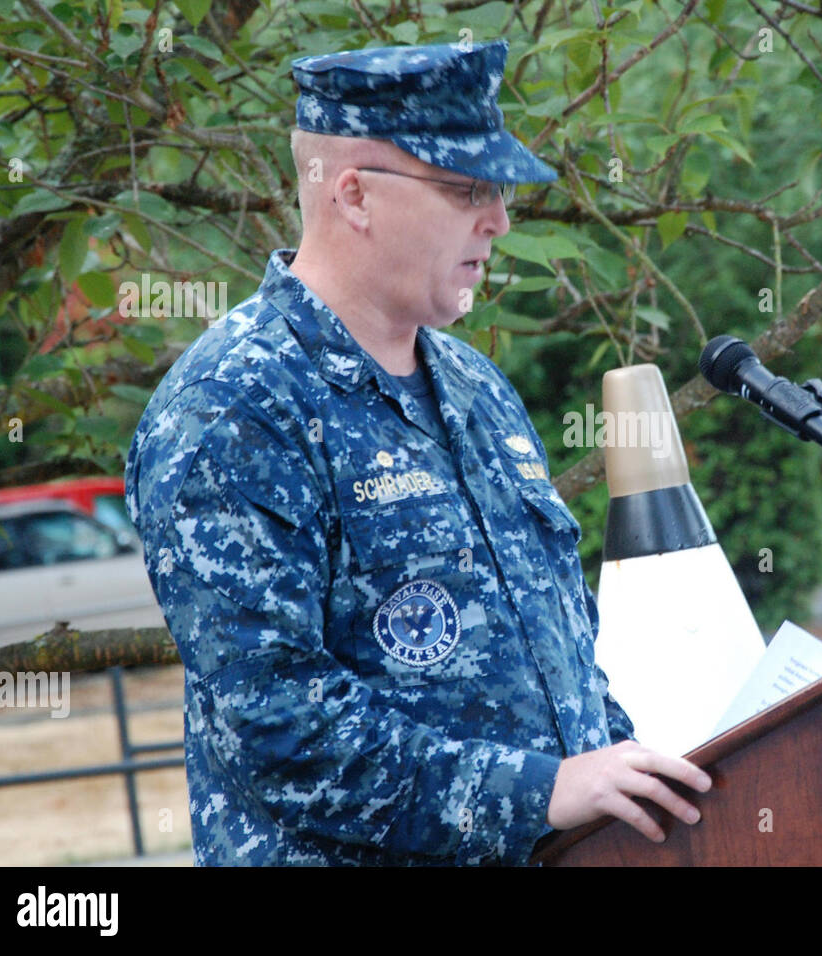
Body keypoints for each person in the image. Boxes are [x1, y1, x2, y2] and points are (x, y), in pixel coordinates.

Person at [124, 39, 710, 866]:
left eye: (498, 192)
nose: (499, 220)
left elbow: (565, 663)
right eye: (467, 188)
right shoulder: (233, 407)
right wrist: (538, 791)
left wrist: (630, 785)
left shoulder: (475, 388)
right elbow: (279, 725)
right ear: (355, 194)